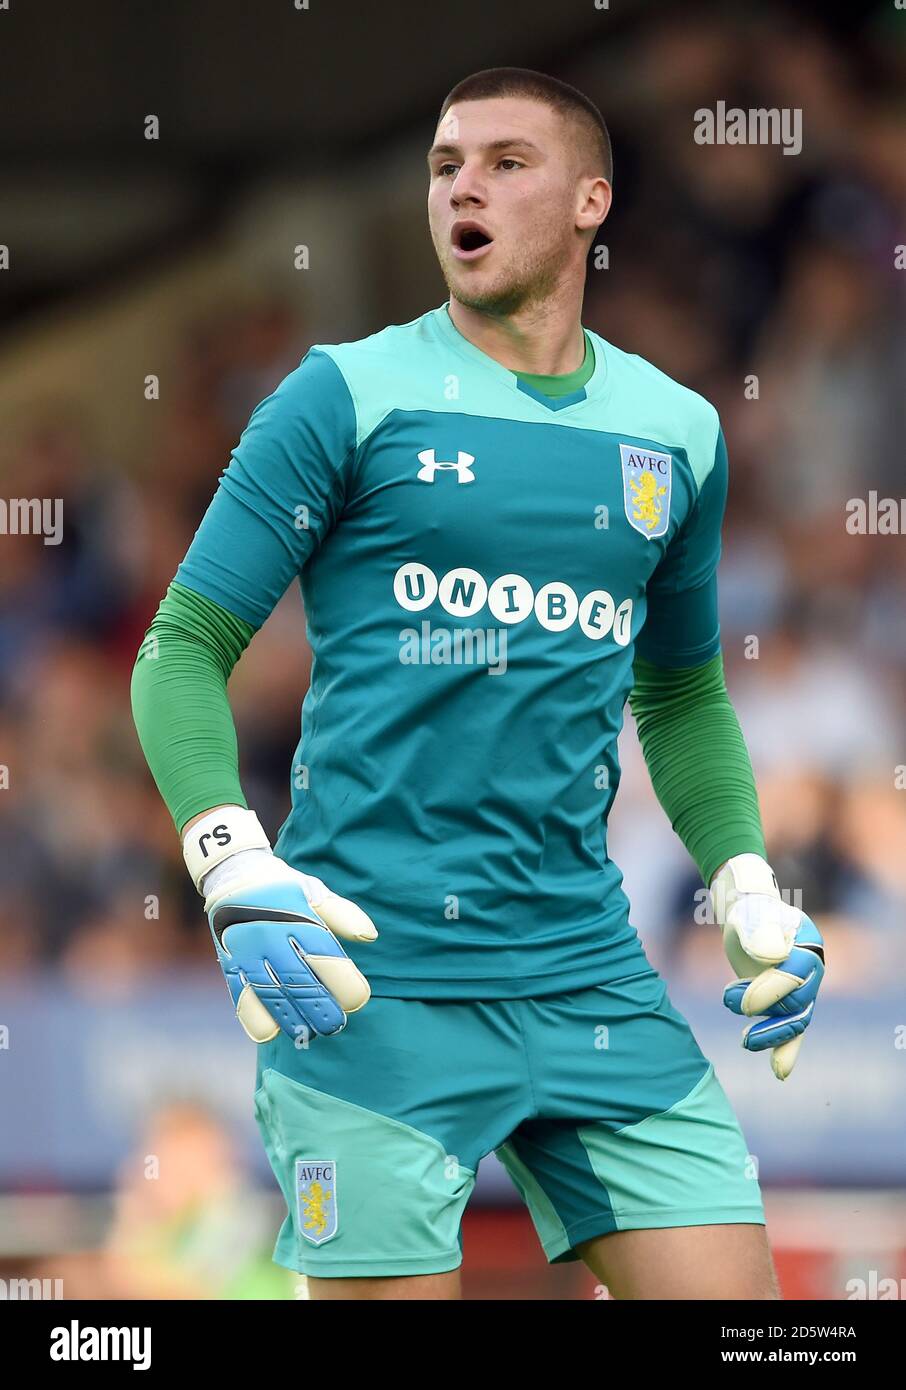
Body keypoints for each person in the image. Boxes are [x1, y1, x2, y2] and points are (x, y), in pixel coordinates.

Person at [132, 67, 825, 1301]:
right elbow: (180, 647)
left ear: (590, 201)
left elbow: (681, 691)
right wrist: (229, 857)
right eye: (447, 163)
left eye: (508, 161)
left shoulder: (677, 431)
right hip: (370, 983)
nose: (465, 185)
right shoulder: (342, 395)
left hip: (589, 976)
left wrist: (748, 879)